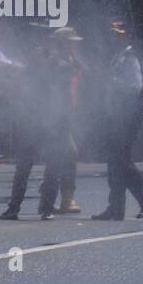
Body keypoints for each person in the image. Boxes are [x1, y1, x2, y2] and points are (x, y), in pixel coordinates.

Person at [92, 22, 143, 220]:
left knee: (120, 161)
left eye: (118, 35)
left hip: (127, 117)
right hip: (116, 116)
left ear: (128, 36)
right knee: (115, 163)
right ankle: (116, 207)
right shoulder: (117, 57)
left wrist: (110, 82)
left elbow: (134, 87)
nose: (114, 38)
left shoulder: (130, 58)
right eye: (113, 34)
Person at [0, 42, 68, 220]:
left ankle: (46, 209)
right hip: (29, 128)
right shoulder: (26, 75)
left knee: (52, 170)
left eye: (38, 56)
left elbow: (60, 99)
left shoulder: (55, 74)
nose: (34, 59)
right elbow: (17, 99)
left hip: (51, 128)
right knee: (22, 171)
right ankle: (13, 208)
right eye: (32, 56)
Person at [52, 27, 86, 214]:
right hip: (55, 115)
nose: (74, 45)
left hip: (68, 114)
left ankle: (59, 197)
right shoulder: (56, 62)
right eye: (71, 42)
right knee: (67, 154)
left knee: (63, 155)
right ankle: (65, 198)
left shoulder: (72, 61)